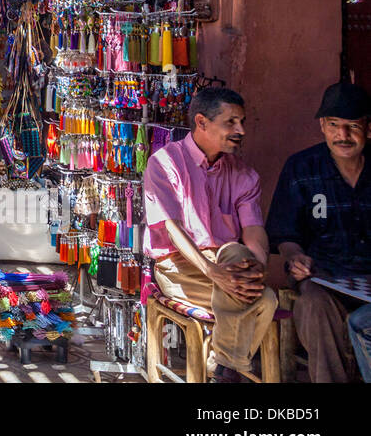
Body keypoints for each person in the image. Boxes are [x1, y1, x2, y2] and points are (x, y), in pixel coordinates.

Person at [143, 87, 278, 382]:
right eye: (231, 122)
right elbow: (172, 228)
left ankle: (222, 366)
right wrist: (212, 271)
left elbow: (253, 229)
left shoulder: (244, 174)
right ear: (202, 122)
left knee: (241, 261)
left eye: (242, 122)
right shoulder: (164, 164)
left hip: (227, 263)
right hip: (179, 266)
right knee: (264, 301)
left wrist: (257, 267)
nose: (240, 130)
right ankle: (228, 367)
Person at [266, 82, 371, 382]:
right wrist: (295, 257)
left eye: (352, 126)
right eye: (334, 125)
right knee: (315, 306)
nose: (343, 135)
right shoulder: (301, 167)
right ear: (323, 126)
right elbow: (284, 232)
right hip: (323, 277)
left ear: (368, 127)